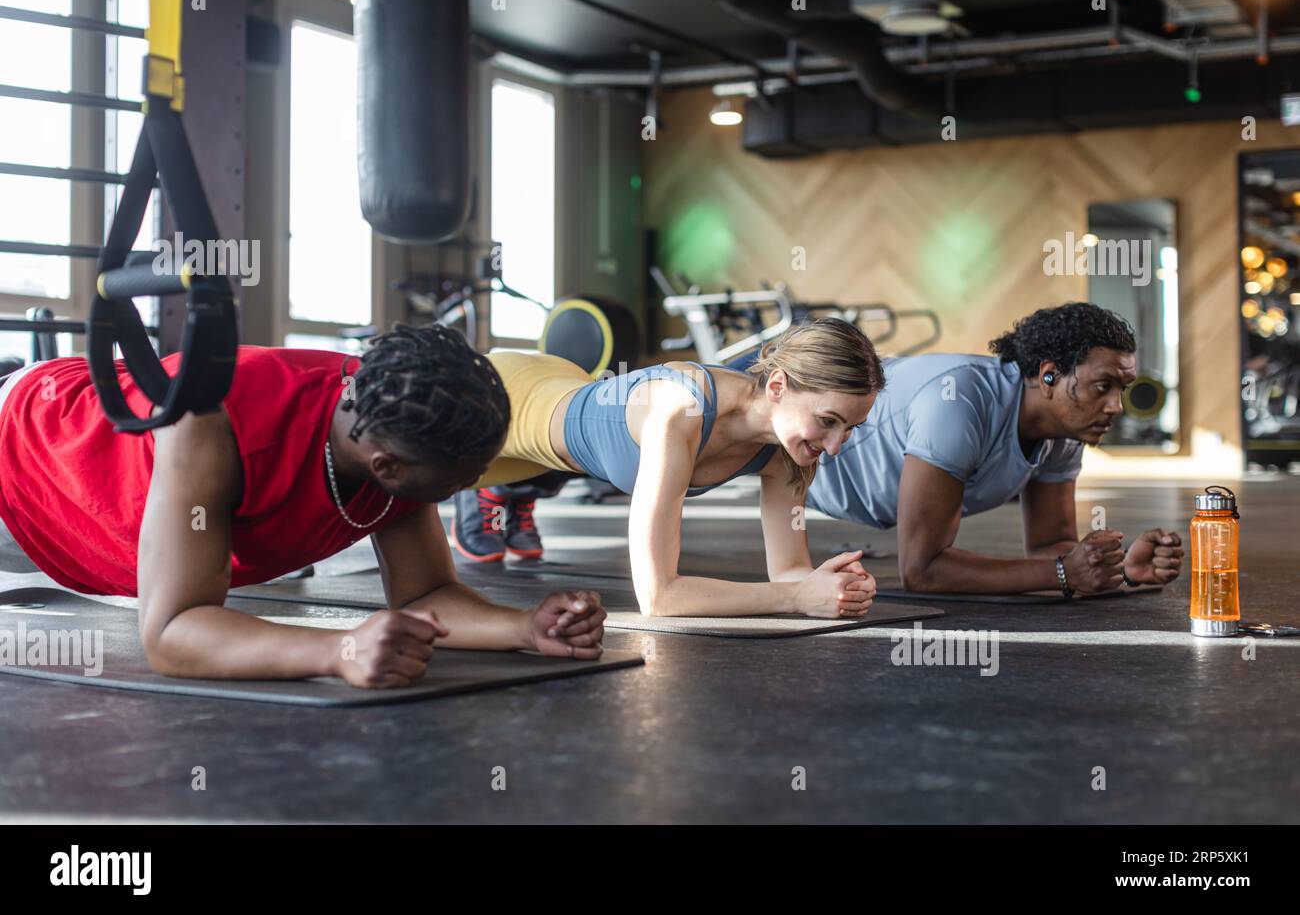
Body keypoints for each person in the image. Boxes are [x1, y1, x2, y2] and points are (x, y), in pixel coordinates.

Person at [0, 325, 606, 687]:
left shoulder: (398, 419)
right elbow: (171, 634)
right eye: (453, 484)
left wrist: (523, 627)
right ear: (387, 470)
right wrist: (337, 650)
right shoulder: (213, 423)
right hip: (31, 463)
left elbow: (423, 597)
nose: (459, 495)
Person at [468, 317, 885, 618]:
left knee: (556, 466)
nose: (833, 447)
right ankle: (493, 493)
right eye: (828, 421)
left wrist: (830, 586)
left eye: (849, 429)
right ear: (777, 386)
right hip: (498, 401)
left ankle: (511, 491)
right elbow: (658, 598)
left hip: (554, 414)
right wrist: (795, 599)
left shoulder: (790, 449)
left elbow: (788, 571)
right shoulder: (680, 410)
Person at [804, 303, 1184, 596]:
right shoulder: (960, 401)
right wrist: (1065, 573)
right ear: (1049, 375)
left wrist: (1119, 568)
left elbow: (1050, 548)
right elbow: (923, 570)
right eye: (1103, 387)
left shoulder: (1064, 435)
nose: (1117, 407)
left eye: (1122, 390)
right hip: (796, 438)